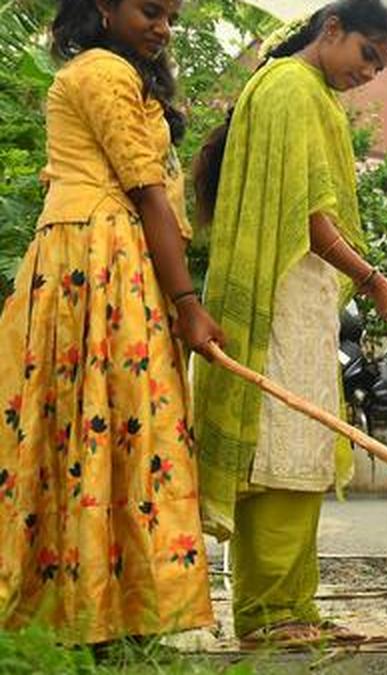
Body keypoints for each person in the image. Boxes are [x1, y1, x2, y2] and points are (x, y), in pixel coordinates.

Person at [190, 0, 387, 648]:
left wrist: (361, 281)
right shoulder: (290, 87)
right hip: (280, 294)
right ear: (331, 29)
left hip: (303, 296)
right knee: (282, 448)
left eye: (383, 65)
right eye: (369, 54)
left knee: (303, 448)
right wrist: (372, 278)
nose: (371, 72)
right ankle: (266, 613)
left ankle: (292, 606)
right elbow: (308, 216)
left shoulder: (306, 92)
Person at [0, 0, 221, 643]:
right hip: (97, 256)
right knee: (107, 423)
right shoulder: (101, 70)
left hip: (105, 255)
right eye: (150, 11)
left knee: (104, 427)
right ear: (103, 7)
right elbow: (146, 189)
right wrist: (187, 303)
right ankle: (86, 616)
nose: (163, 27)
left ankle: (104, 611)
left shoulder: (122, 73)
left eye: (170, 17)